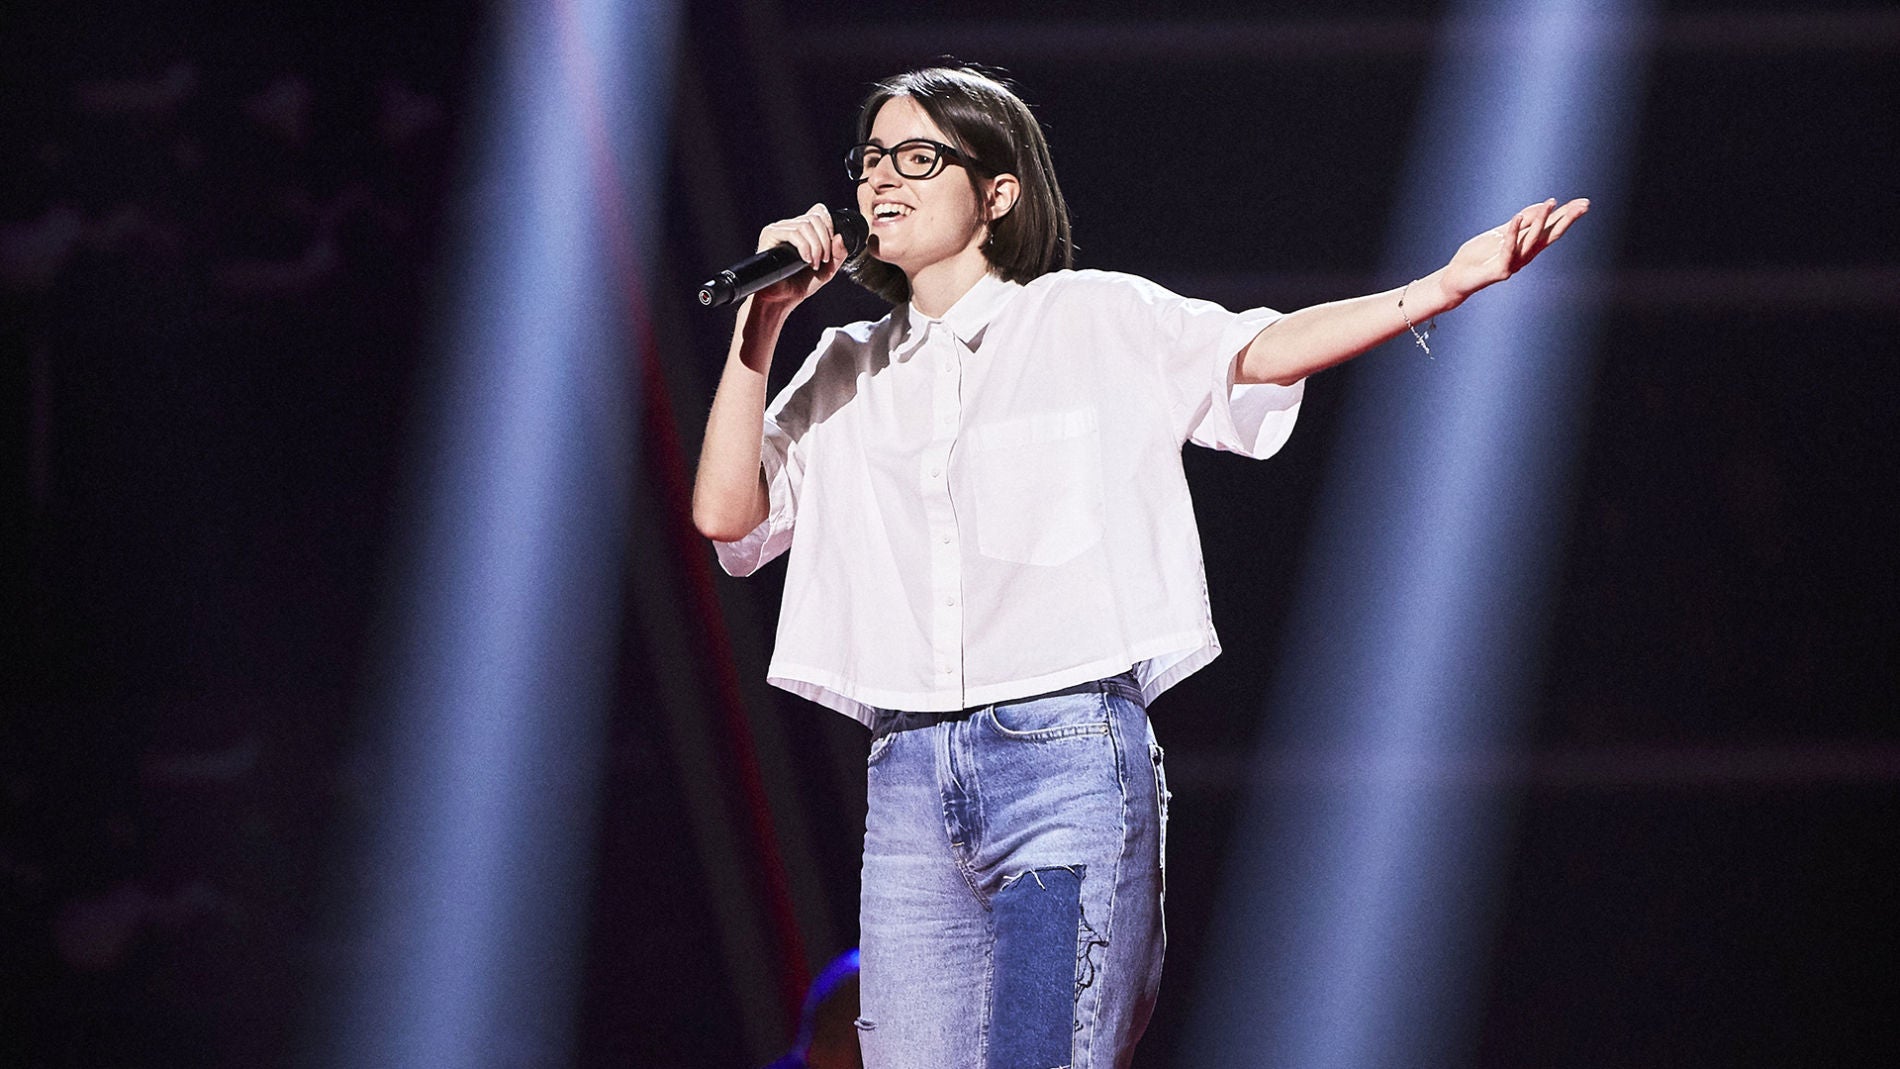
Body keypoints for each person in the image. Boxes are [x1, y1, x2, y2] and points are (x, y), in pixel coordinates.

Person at [693, 66, 1585, 1069]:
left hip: (1060, 759)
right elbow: (727, 517)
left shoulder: (1090, 317)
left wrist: (1437, 288)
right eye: (869, 160)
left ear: (997, 192)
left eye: (917, 157)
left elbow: (1257, 352)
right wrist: (761, 327)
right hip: (907, 775)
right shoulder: (845, 365)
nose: (880, 179)